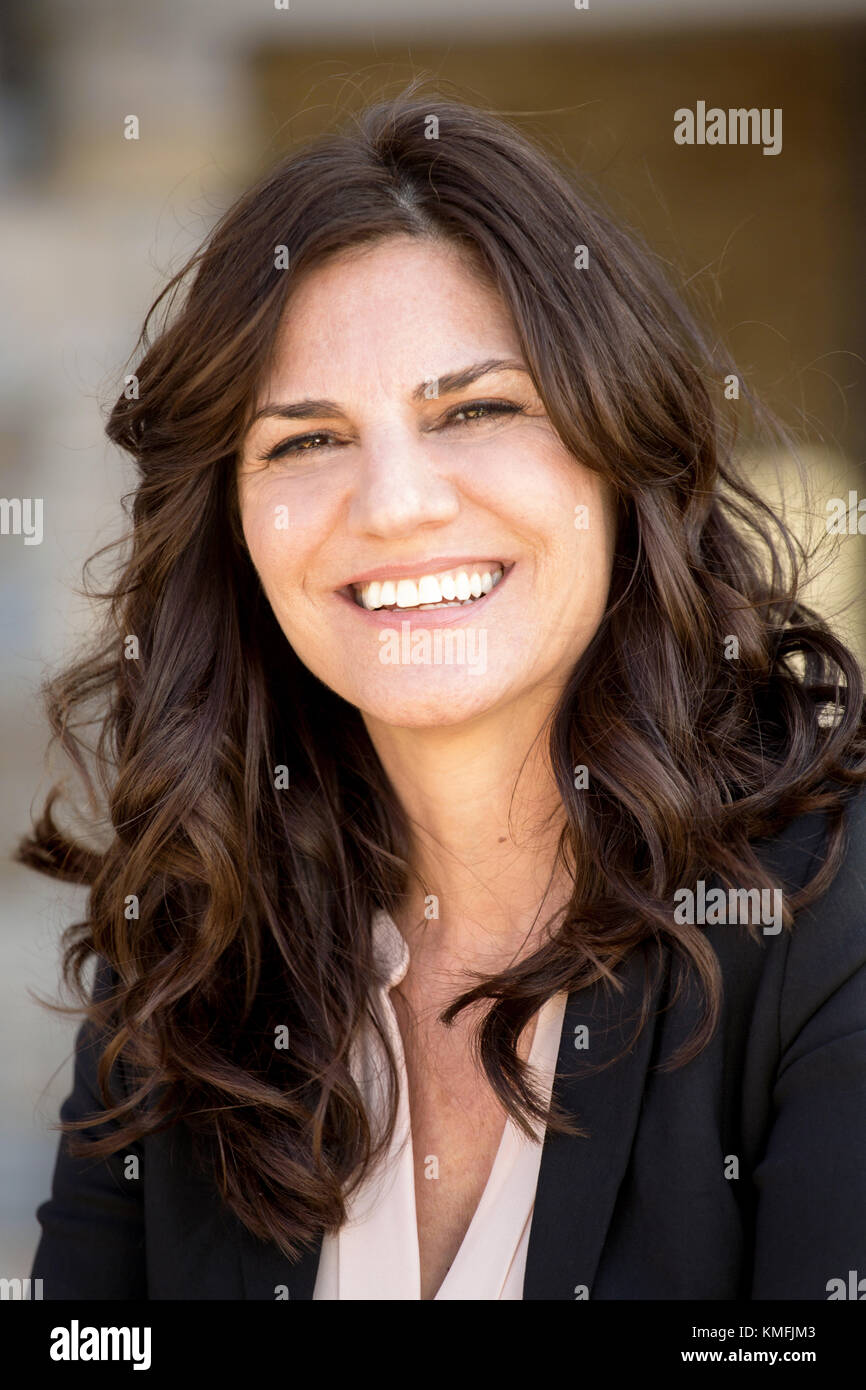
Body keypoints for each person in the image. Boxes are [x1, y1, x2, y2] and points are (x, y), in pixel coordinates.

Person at [19, 91, 866, 1301]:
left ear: (620, 451)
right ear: (233, 529)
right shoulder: (193, 945)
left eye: (475, 410)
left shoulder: (828, 914)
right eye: (305, 441)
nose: (396, 504)